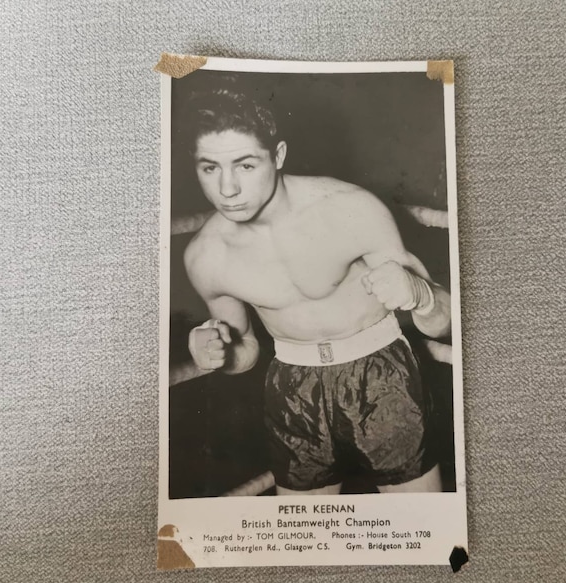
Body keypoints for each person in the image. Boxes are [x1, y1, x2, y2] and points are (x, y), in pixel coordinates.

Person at [182, 88, 452, 495]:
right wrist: (213, 352)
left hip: (381, 375)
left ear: (278, 156)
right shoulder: (206, 257)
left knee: (422, 525)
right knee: (303, 536)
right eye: (209, 168)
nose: (227, 189)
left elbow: (442, 323)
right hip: (291, 389)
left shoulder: (350, 209)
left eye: (245, 165)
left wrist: (422, 296)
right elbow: (246, 352)